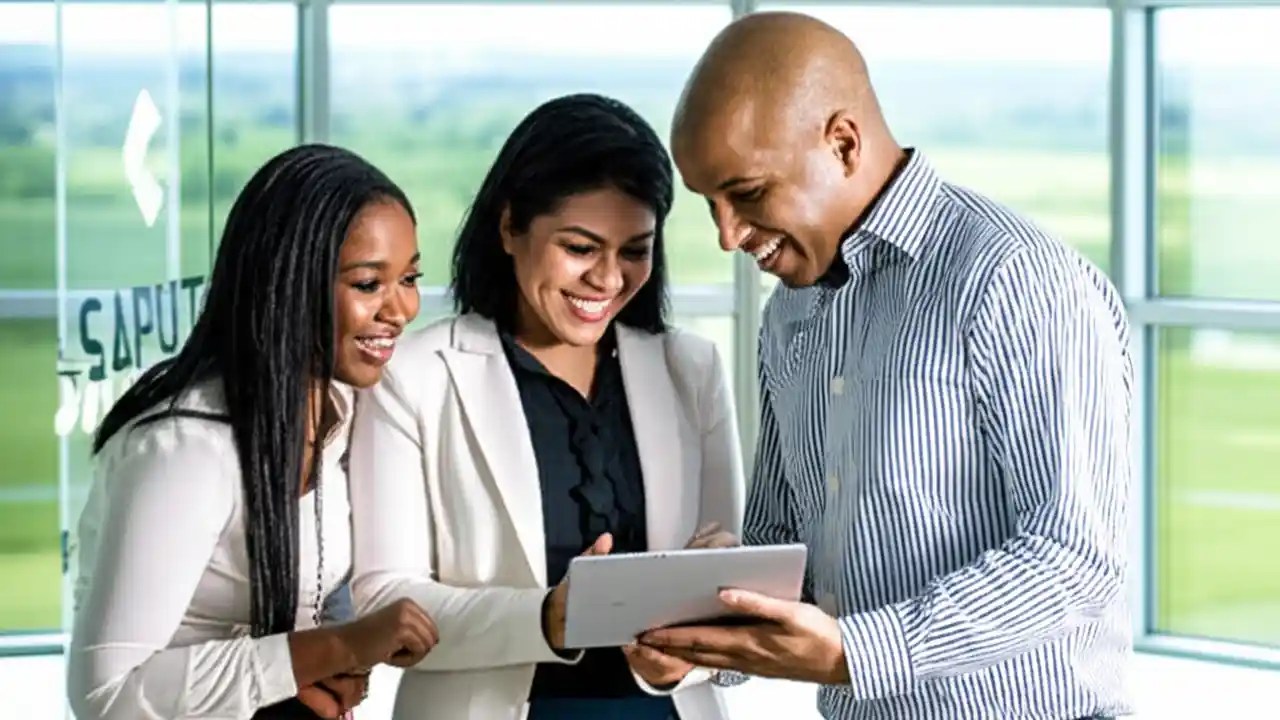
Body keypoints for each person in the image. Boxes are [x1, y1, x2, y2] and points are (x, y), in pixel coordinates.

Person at [636, 12, 1135, 720]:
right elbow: (783, 550)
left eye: (747, 194)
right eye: (708, 205)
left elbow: (1074, 558)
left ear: (843, 143)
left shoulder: (1015, 281)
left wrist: (858, 653)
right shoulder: (790, 313)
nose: (727, 235)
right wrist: (700, 638)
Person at [347, 93, 745, 720]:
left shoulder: (692, 369)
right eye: (581, 248)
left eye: (635, 251)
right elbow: (383, 597)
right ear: (510, 227)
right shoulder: (415, 376)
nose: (608, 280)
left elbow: (729, 568)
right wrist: (545, 619)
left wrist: (690, 655)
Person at [66, 144, 440, 720]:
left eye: (410, 278)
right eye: (369, 284)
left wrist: (319, 668)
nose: (402, 309)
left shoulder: (345, 410)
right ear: (287, 282)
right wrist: (335, 649)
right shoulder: (186, 450)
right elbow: (105, 695)